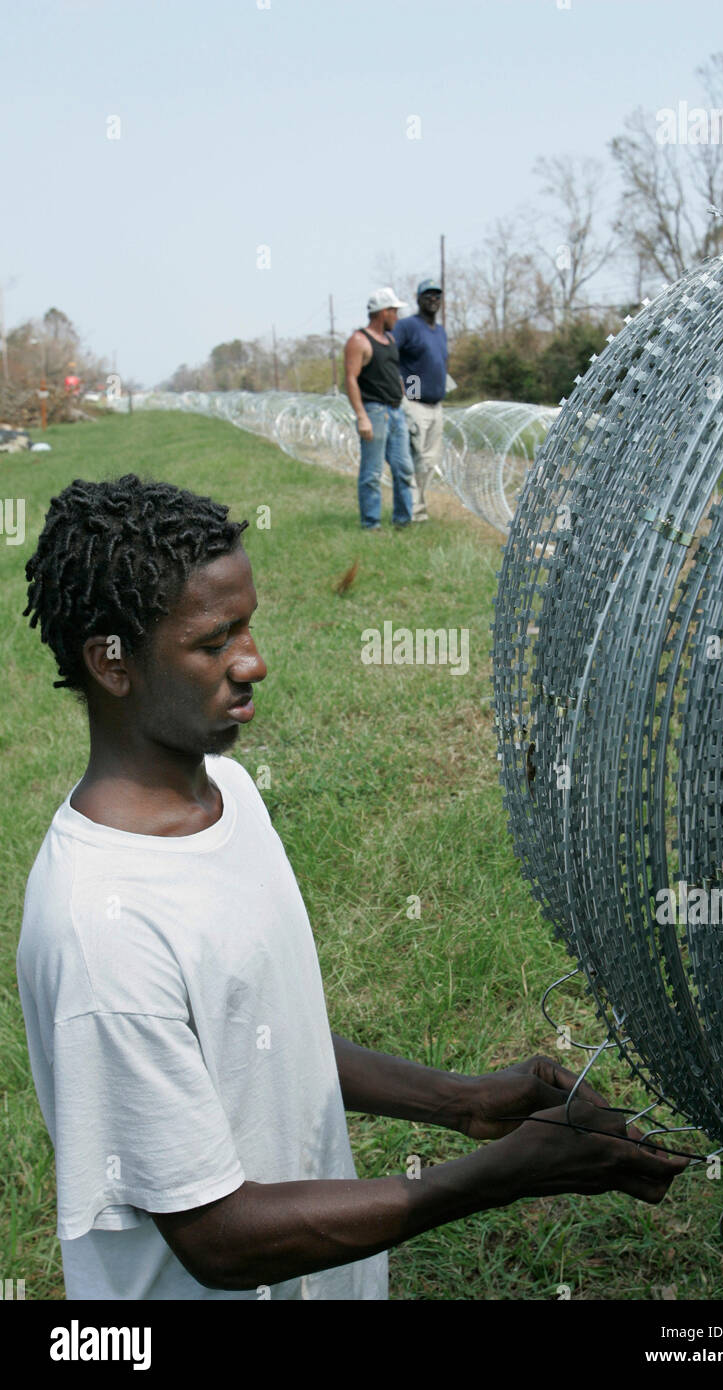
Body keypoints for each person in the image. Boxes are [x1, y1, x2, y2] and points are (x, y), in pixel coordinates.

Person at [17, 474, 686, 1301]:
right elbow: (218, 1241)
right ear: (110, 664)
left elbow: (261, 1042)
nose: (253, 661)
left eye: (249, 626)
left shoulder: (230, 797)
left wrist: (460, 1101)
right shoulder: (103, 932)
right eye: (213, 641)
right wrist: (502, 1173)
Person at [344, 287, 413, 531]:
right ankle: (371, 524)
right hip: (375, 412)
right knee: (372, 473)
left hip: (396, 412)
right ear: (383, 312)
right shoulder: (359, 341)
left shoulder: (391, 340)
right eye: (394, 311)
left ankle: (404, 521)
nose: (397, 316)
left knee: (404, 468)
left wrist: (404, 396)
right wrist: (362, 417)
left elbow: (393, 373)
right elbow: (351, 379)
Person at [393, 279, 449, 522]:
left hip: (436, 404)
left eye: (437, 295)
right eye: (428, 295)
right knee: (415, 458)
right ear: (418, 299)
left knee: (429, 461)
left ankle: (417, 507)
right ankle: (413, 512)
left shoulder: (440, 331)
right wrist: (400, 388)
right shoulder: (407, 326)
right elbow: (388, 354)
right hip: (415, 402)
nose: (433, 299)